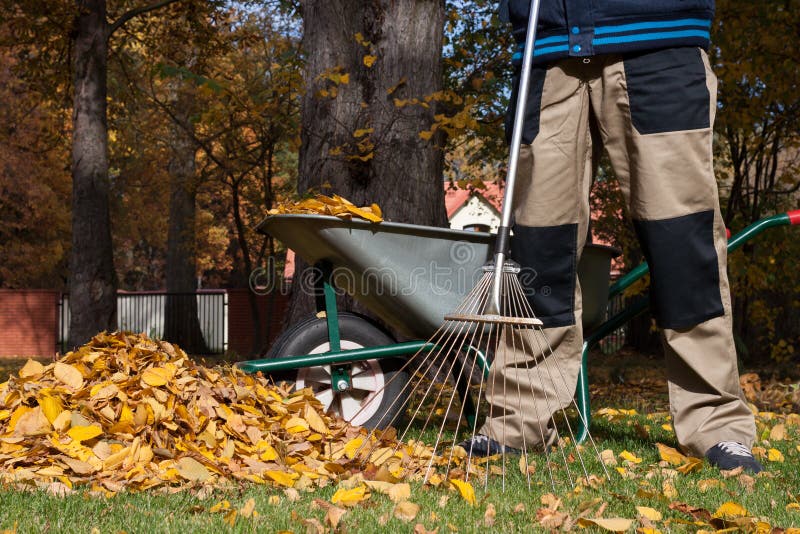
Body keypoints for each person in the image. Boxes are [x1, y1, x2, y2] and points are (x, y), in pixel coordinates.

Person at [460, 0, 762, 473]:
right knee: (539, 246)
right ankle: (518, 421)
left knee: (681, 243)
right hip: (547, 49)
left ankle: (717, 423)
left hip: (659, 38)